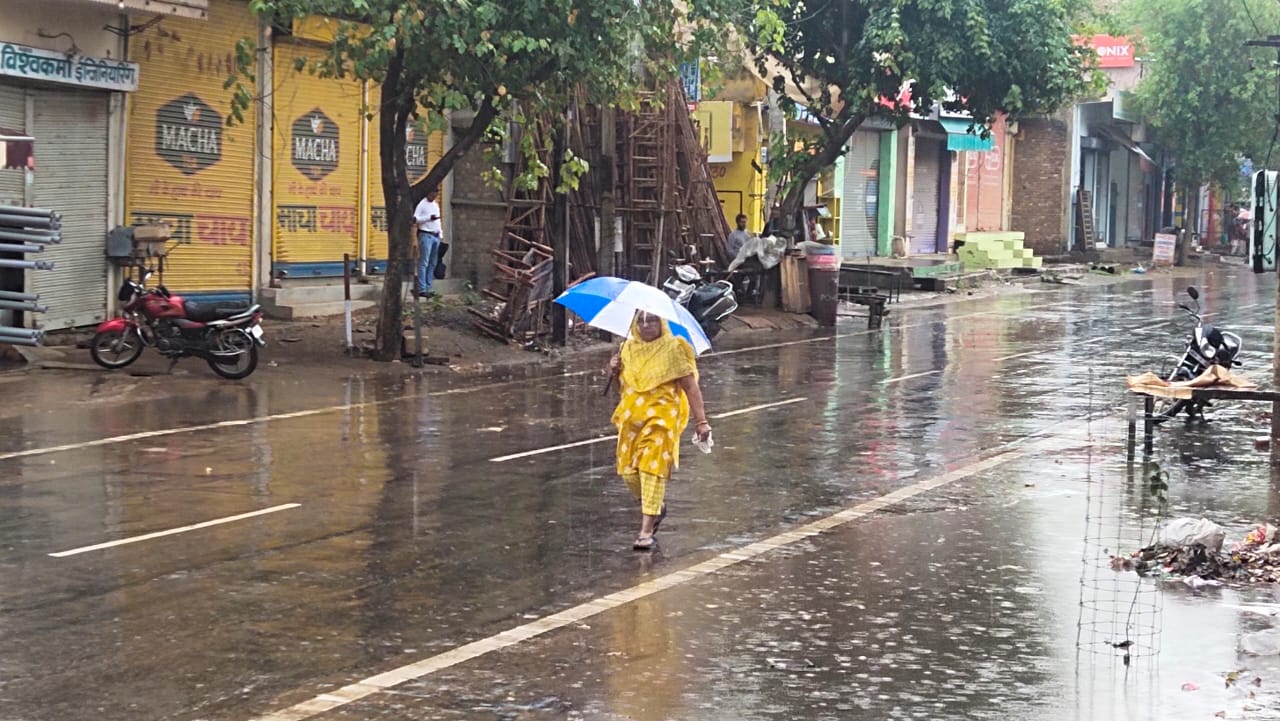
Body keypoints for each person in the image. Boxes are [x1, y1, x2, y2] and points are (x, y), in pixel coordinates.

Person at [607, 311, 711, 551]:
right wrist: (612, 370)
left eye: (652, 320)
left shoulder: (674, 348)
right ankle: (656, 508)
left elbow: (690, 387)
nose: (646, 326)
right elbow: (620, 388)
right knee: (629, 474)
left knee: (652, 470)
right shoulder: (627, 349)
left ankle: (645, 531)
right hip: (631, 421)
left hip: (662, 420)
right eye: (641, 321)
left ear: (662, 323)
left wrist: (701, 421)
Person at [412, 187, 443, 297]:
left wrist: (440, 234)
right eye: (432, 193)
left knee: (432, 263)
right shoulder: (422, 204)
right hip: (426, 234)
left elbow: (438, 220)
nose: (434, 196)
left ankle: (429, 287)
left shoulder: (435, 205)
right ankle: (422, 288)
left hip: (435, 235)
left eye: (436, 194)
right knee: (424, 262)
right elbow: (415, 219)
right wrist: (428, 218)